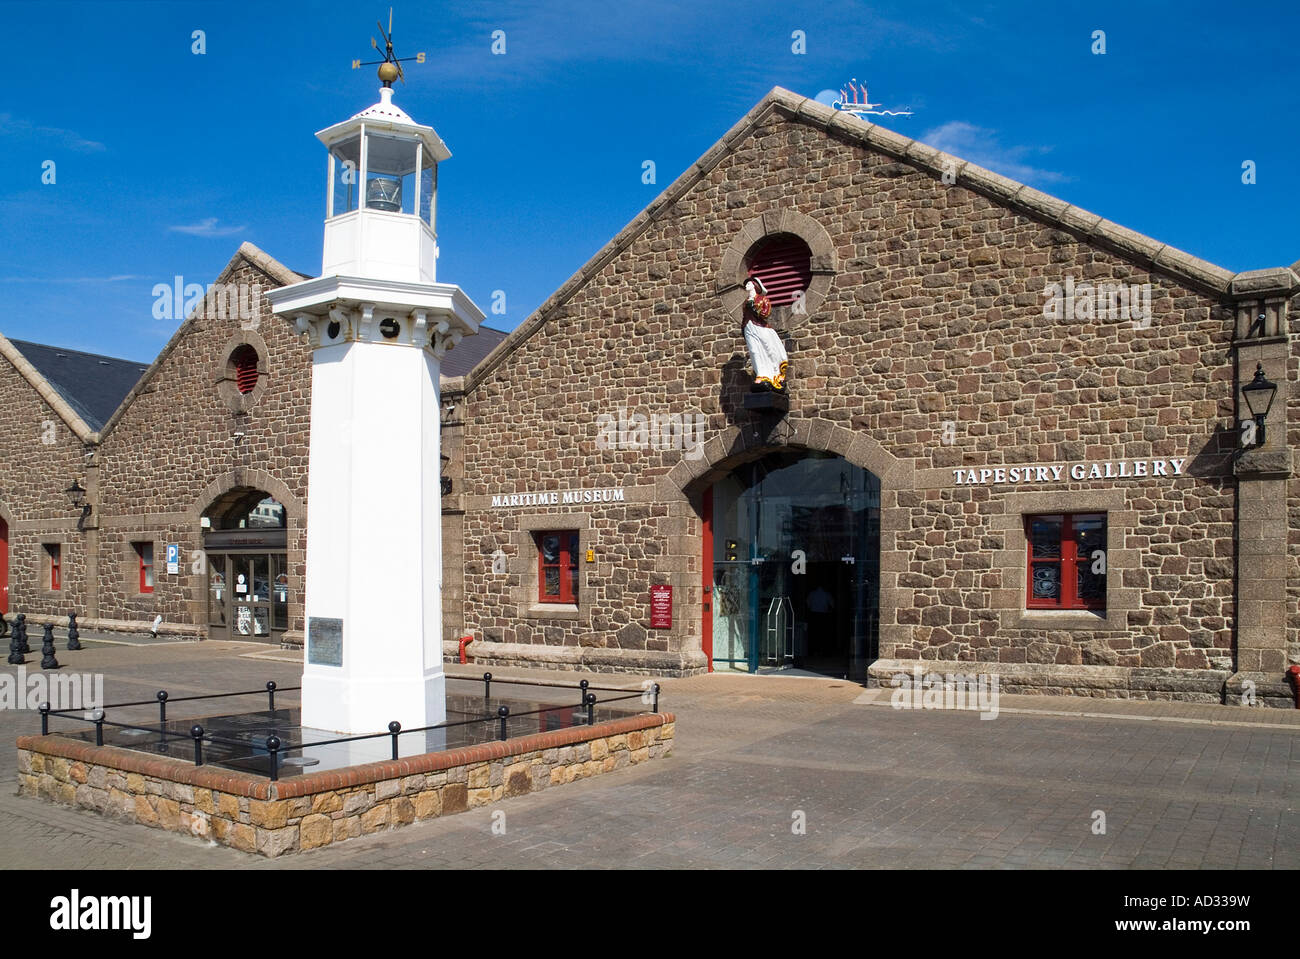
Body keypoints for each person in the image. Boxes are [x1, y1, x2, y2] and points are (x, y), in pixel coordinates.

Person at [742, 276, 789, 392]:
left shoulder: (763, 299)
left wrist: (753, 308)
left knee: (768, 349)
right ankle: (761, 375)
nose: (746, 286)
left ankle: (774, 375)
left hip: (761, 328)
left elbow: (765, 313)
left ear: (755, 285)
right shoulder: (745, 302)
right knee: (754, 351)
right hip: (749, 328)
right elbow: (745, 317)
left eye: (749, 283)